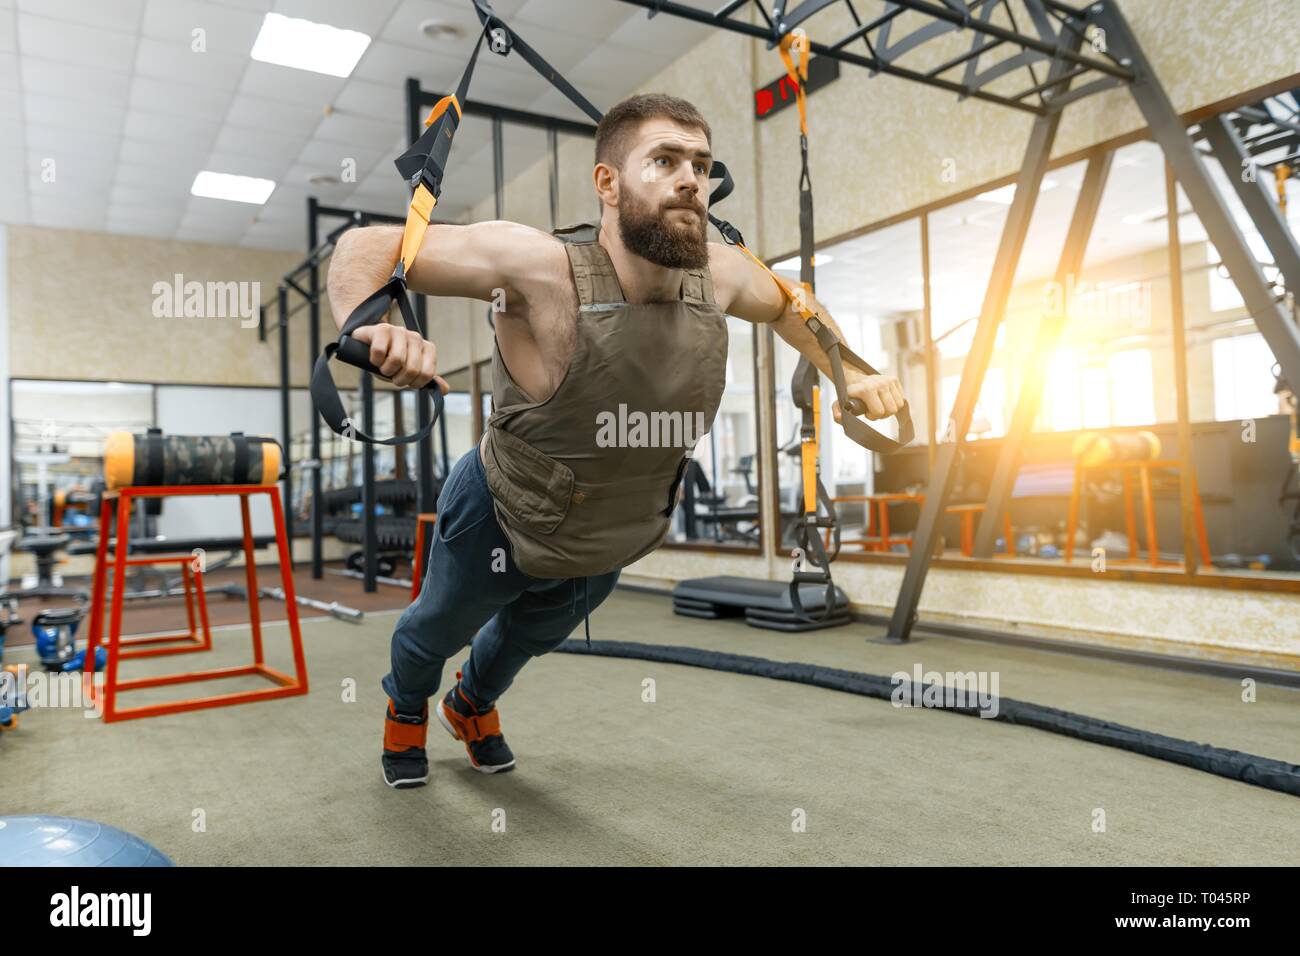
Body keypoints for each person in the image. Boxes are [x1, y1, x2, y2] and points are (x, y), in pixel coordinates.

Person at [326, 93, 906, 789]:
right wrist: (371, 328)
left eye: (699, 162)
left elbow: (793, 303)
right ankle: (406, 705)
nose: (689, 177)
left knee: (527, 639)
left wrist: (851, 370)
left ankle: (471, 704)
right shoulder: (537, 266)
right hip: (502, 513)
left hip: (614, 527)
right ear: (607, 183)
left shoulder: (718, 274)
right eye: (662, 160)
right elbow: (365, 247)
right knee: (433, 632)